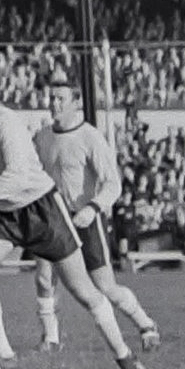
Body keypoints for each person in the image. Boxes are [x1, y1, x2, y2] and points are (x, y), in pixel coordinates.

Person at [0, 63, 142, 369]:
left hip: (40, 208)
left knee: (84, 291)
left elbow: (18, 178)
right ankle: (3, 353)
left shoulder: (7, 123)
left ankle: (124, 356)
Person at [29, 73, 160, 354]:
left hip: (84, 218)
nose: (54, 104)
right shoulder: (42, 137)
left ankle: (145, 324)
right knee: (44, 277)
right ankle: (51, 338)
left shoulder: (90, 137)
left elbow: (113, 184)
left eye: (60, 99)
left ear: (76, 102)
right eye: (51, 98)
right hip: (53, 219)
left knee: (105, 287)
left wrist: (92, 208)